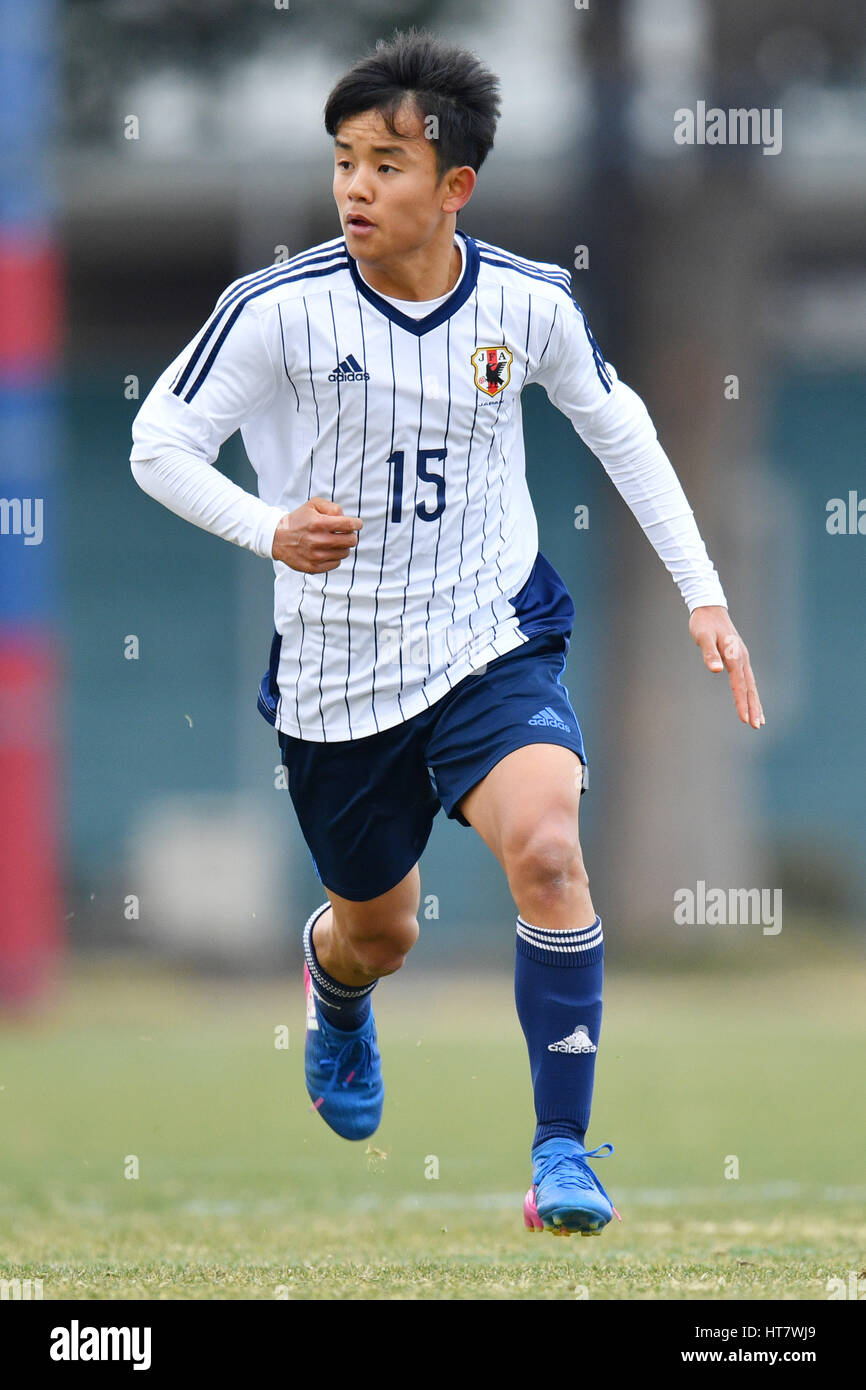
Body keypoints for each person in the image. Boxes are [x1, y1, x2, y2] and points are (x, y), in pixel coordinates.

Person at [130, 28, 763, 1238]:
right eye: (343, 163)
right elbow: (155, 446)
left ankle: (561, 1152)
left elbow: (617, 427)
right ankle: (335, 986)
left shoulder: (524, 303)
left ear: (454, 184)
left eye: (385, 163)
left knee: (546, 850)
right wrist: (268, 529)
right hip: (338, 673)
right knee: (386, 929)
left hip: (489, 638)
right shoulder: (276, 310)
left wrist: (703, 592)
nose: (356, 187)